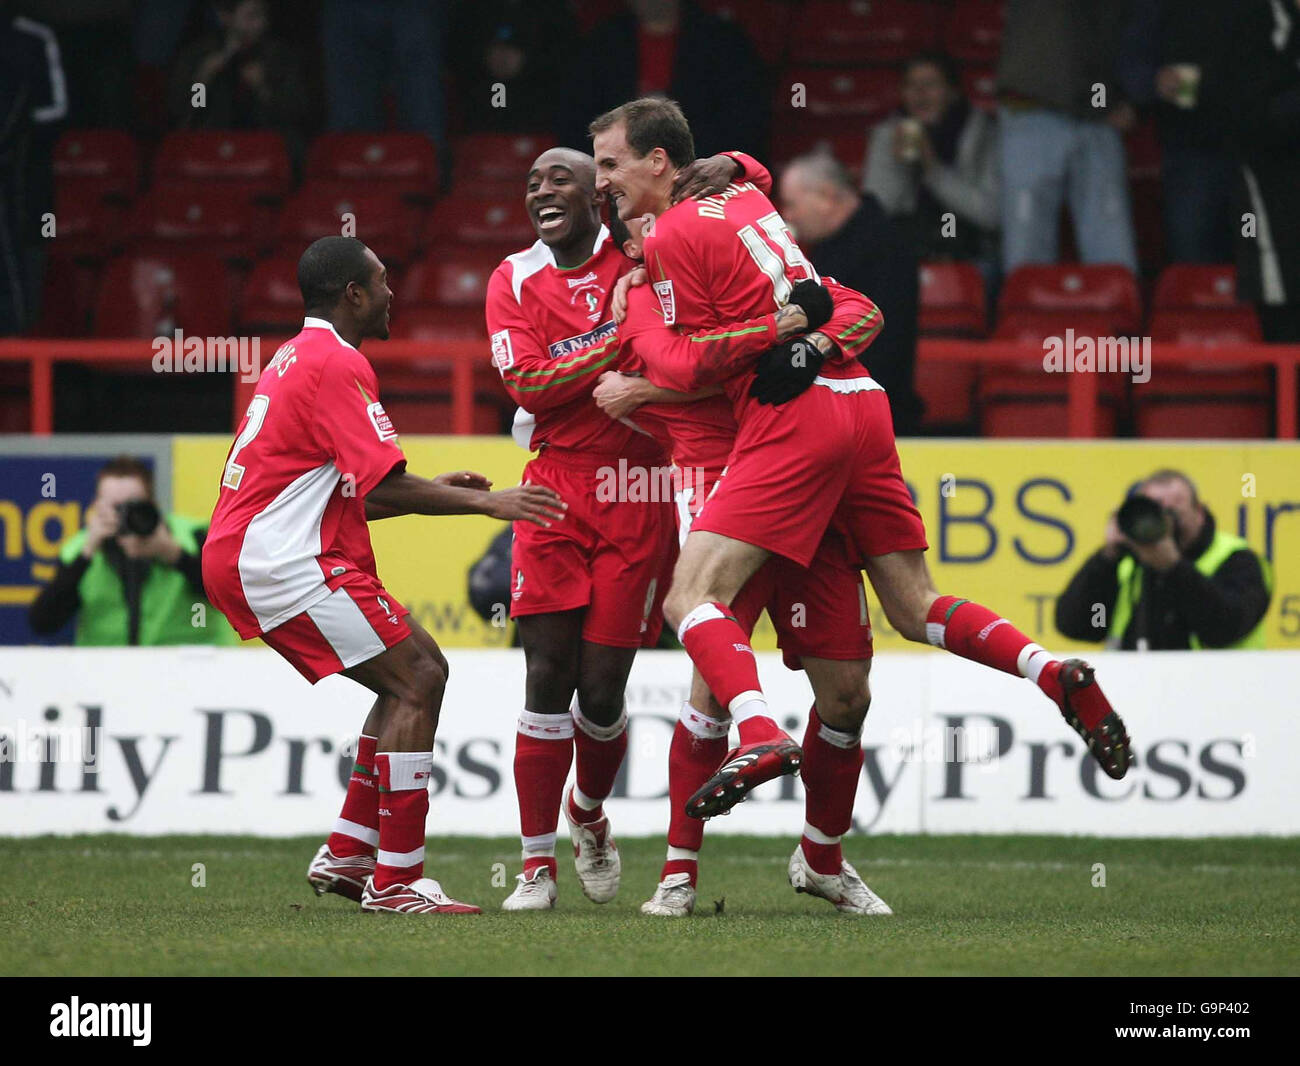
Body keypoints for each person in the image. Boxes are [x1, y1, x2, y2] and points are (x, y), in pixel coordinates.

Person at [589, 98, 1133, 845]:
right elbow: (854, 307)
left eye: (611, 167)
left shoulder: (669, 252)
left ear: (659, 167)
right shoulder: (744, 198)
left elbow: (684, 365)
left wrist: (668, 377)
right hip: (860, 404)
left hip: (771, 441)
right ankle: (1045, 671)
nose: (607, 189)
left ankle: (744, 762)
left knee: (692, 608)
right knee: (909, 613)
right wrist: (800, 329)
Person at [201, 236, 565, 916]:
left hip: (263, 551)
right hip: (280, 561)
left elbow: (340, 494)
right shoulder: (338, 363)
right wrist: (490, 504)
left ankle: (351, 851)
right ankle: (395, 879)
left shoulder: (295, 356)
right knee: (418, 677)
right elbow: (384, 486)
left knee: (411, 673)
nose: (393, 293)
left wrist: (440, 491)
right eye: (382, 281)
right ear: (354, 295)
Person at [485, 142, 772, 911]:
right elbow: (529, 384)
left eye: (563, 179)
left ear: (598, 196)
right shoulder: (513, 277)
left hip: (639, 489)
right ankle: (535, 868)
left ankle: (587, 812)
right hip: (554, 487)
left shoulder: (644, 260)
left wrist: (735, 164)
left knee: (604, 691)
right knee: (545, 673)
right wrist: (622, 339)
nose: (542, 191)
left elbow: (682, 358)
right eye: (532, 182)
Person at [595, 213, 892, 917]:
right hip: (714, 476)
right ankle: (678, 873)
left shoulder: (737, 257)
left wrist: (805, 333)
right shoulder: (644, 298)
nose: (661, 232)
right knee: (707, 685)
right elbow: (691, 368)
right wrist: (784, 329)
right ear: (632, 247)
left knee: (848, 693)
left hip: (801, 462)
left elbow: (858, 307)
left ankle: (823, 859)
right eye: (640, 229)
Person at [780, 152, 924, 435]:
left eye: (792, 204)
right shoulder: (832, 245)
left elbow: (883, 346)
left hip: (871, 418)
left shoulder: (884, 248)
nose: (789, 215)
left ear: (827, 196)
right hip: (846, 411)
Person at [29, 456, 236, 646]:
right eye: (116, 508)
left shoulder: (192, 536)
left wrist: (173, 554)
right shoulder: (78, 550)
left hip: (191, 666)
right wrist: (87, 554)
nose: (125, 517)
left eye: (133, 507)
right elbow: (43, 623)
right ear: (97, 507)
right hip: (105, 669)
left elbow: (232, 599)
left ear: (152, 504)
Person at [995, 0, 1139, 274]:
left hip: (1091, 115)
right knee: (1027, 255)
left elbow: (1110, 38)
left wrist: (1121, 98)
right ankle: (1026, 307)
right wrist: (1109, 101)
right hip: (1035, 108)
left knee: (1111, 252)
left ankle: (1115, 306)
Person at [1055, 469, 1272, 650]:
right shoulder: (1127, 564)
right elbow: (1079, 626)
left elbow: (1225, 628)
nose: (1164, 524)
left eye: (1172, 513)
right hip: (1131, 683)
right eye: (1154, 514)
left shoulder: (1237, 560)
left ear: (1199, 513)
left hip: (1213, 685)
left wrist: (1174, 567)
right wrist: (1107, 557)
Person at [558, 0, 766, 159]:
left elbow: (743, 118)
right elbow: (577, 119)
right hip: (618, 167)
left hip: (701, 164)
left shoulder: (722, 41)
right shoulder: (602, 43)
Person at [863, 53, 1000, 274]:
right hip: (906, 249)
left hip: (970, 251)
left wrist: (932, 169)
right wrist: (901, 166)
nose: (920, 94)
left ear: (952, 92)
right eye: (911, 85)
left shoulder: (981, 133)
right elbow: (877, 212)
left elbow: (989, 215)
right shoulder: (890, 133)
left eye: (931, 84)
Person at [168, 0, 311, 170]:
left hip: (265, 145)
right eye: (252, 16)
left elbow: (296, 112)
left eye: (263, 16)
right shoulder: (199, 55)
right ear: (225, 17)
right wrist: (201, 82)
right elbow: (185, 111)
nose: (261, 24)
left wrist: (262, 88)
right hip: (210, 147)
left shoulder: (279, 56)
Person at [0, 3, 66, 336]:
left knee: (31, 262)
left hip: (27, 192)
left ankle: (22, 342)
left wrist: (14, 136)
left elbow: (56, 112)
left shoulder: (30, 37)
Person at [448, 1, 578, 134]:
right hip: (480, 110)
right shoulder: (470, 9)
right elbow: (455, 52)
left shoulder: (553, 11)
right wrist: (484, 56)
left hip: (539, 110)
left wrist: (527, 59)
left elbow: (568, 55)